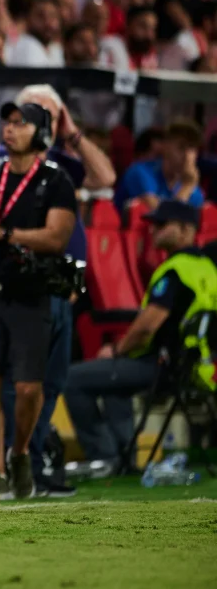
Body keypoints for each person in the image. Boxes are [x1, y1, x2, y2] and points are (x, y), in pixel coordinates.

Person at [0, 84, 115, 497]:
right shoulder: (3, 164)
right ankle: (15, 464)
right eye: (27, 111)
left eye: (46, 113)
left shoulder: (60, 162)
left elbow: (106, 177)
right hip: (19, 290)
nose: (35, 119)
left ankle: (35, 462)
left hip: (62, 290)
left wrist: (70, 131)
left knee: (48, 383)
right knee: (18, 383)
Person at [0, 102, 77, 500]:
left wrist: (4, 235)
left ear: (41, 133)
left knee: (28, 387)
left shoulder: (56, 180)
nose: (9, 130)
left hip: (32, 293)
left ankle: (20, 453)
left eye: (20, 124)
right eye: (6, 123)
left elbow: (56, 237)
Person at [64, 201, 217, 471]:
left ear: (185, 230)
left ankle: (105, 457)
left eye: (161, 225)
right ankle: (126, 458)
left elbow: (148, 326)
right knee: (113, 382)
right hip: (195, 367)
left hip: (161, 366)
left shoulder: (176, 270)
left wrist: (118, 350)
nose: (153, 230)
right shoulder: (207, 268)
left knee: (72, 379)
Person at [116, 121, 207, 211]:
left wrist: (187, 187)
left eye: (192, 149)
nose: (187, 156)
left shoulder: (194, 190)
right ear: (166, 146)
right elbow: (161, 217)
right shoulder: (139, 172)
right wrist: (186, 187)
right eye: (181, 147)